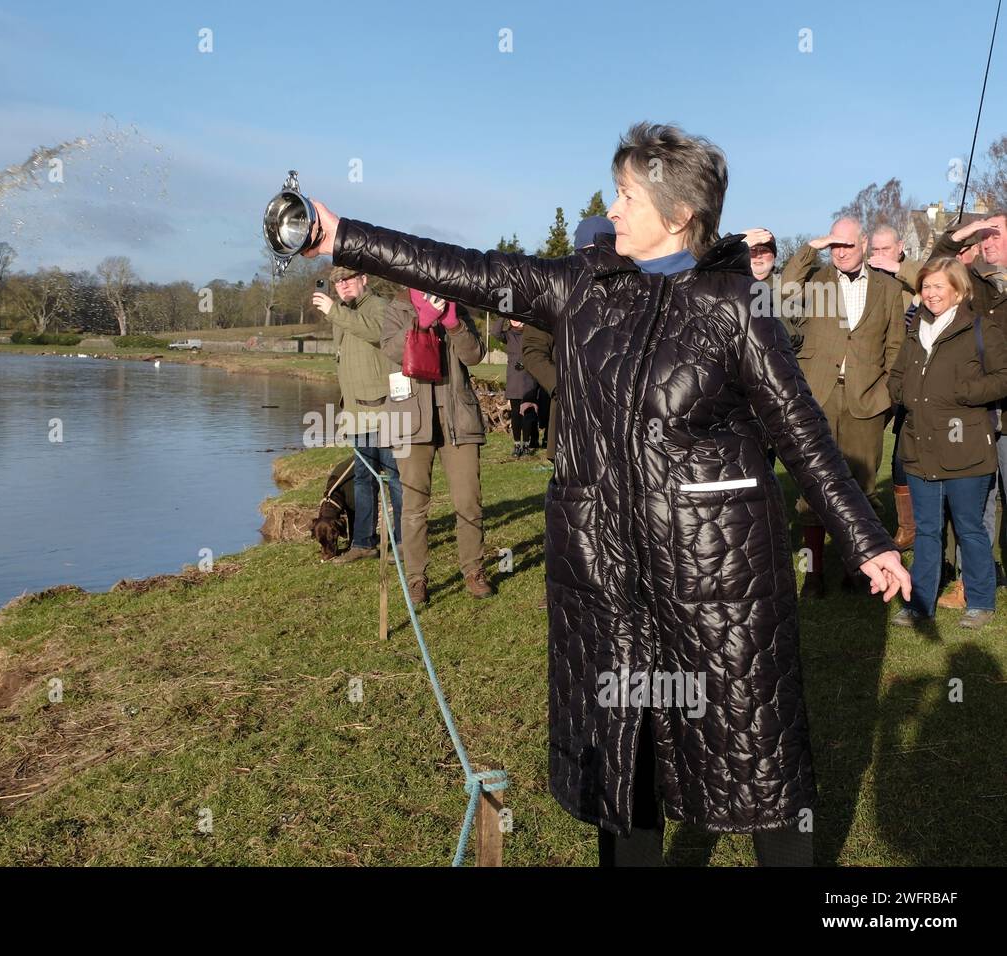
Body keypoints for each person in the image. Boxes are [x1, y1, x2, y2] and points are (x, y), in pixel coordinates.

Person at [302, 121, 909, 867]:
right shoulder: (580, 284)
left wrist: (866, 538)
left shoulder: (734, 304)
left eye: (626, 196)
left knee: (760, 766)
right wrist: (345, 238)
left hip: (720, 587)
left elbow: (803, 433)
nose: (612, 210)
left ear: (680, 212)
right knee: (625, 776)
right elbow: (468, 271)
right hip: (605, 584)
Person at [781, 218, 907, 598]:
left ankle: (859, 570)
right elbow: (785, 287)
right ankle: (813, 572)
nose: (840, 252)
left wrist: (885, 395)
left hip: (866, 400)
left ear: (864, 244)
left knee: (863, 488)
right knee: (810, 490)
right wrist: (813, 244)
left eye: (846, 245)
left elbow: (896, 346)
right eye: (834, 246)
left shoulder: (887, 287)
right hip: (818, 397)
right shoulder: (817, 281)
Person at [887, 257, 1007, 628]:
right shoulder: (915, 331)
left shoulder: (980, 329)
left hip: (966, 448)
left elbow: (1003, 377)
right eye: (926, 286)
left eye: (939, 286)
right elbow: (896, 375)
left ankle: (981, 601)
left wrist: (965, 392)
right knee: (926, 530)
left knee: (969, 528)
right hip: (920, 447)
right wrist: (902, 392)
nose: (930, 293)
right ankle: (921, 603)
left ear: (958, 289)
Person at [382, 289, 492, 604]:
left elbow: (474, 355)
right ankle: (417, 578)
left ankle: (473, 571)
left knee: (469, 501)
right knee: (414, 506)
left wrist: (454, 323)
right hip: (410, 421)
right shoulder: (396, 307)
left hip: (458, 418)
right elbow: (391, 350)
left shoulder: (456, 302)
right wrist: (421, 321)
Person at [929, 214, 1007, 607]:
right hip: (984, 417)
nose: (986, 241)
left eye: (995, 235)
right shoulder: (980, 287)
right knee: (981, 505)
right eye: (983, 237)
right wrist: (966, 231)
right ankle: (971, 582)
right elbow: (939, 262)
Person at [313, 266, 402, 563]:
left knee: (394, 477)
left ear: (365, 279)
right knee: (363, 479)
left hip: (383, 411)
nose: (343, 286)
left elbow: (374, 333)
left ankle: (403, 543)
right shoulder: (342, 314)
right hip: (356, 412)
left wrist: (334, 312)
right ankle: (363, 543)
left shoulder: (380, 307)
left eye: (349, 279)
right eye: (338, 282)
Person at [523, 216, 614, 461]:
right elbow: (532, 350)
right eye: (587, 253)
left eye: (601, 252)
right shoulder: (554, 293)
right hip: (569, 417)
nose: (593, 260)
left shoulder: (632, 288)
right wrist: (562, 386)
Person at [503, 319, 541, 456]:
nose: (515, 320)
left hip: (528, 380)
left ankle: (526, 444)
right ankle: (517, 445)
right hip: (513, 380)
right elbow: (495, 331)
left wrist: (526, 363)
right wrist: (504, 315)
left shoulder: (530, 334)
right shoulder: (508, 335)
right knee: (515, 415)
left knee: (528, 414)